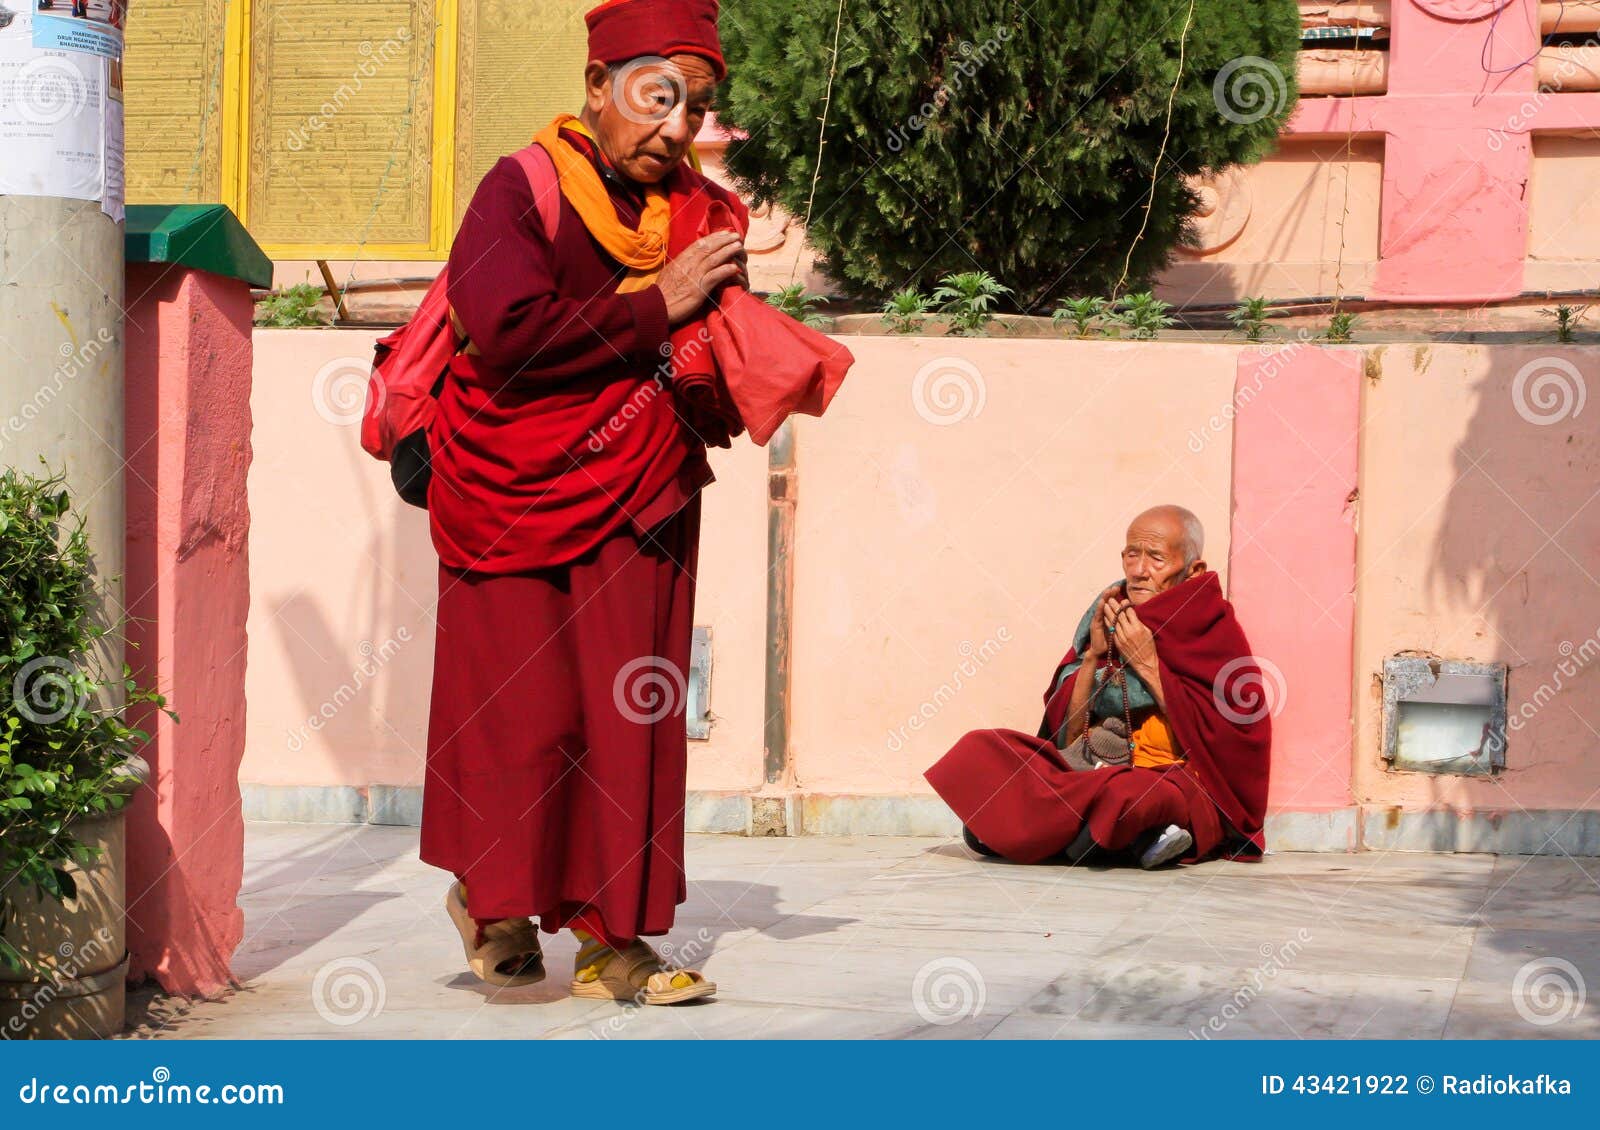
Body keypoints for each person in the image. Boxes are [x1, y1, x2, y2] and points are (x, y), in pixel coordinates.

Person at [420, 0, 747, 1006]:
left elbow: (714, 335)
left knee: (627, 712)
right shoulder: (520, 188)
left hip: (642, 477)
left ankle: (619, 939)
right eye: (656, 99)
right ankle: (497, 901)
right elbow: (508, 328)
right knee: (524, 710)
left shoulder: (696, 212)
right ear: (599, 89)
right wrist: (659, 305)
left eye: (694, 108)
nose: (673, 128)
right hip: (507, 483)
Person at [926, 505, 1272, 869]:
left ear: (1194, 569)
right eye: (1131, 555)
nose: (1139, 571)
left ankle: (1029, 827)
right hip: (1090, 767)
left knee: (1130, 795)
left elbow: (1234, 741)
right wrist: (1092, 658)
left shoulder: (1210, 625)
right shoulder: (1109, 609)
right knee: (982, 747)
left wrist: (1147, 664)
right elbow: (1066, 737)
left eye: (1156, 558)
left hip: (1163, 777)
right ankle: (1113, 836)